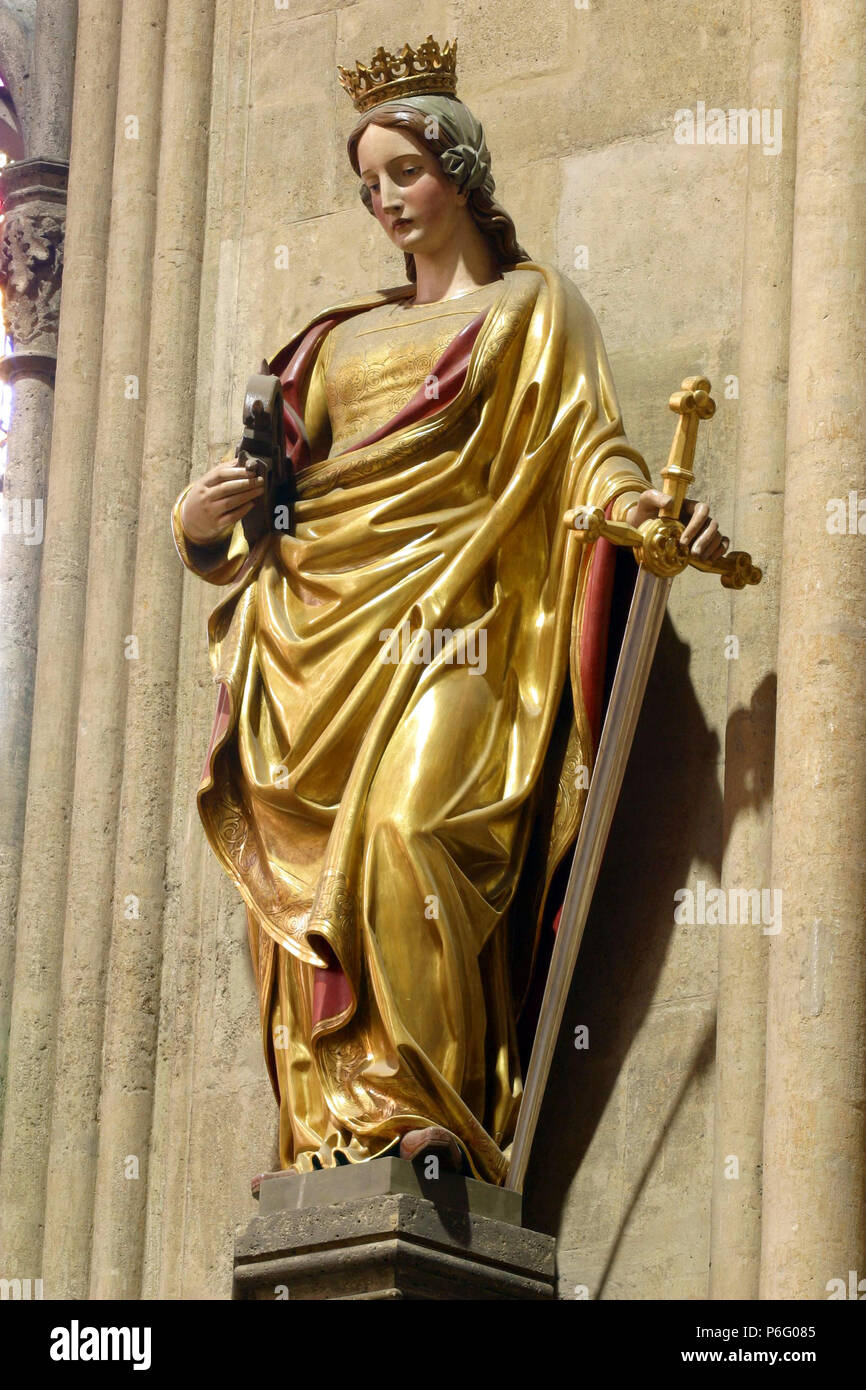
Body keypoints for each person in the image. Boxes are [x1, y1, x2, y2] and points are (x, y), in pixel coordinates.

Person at [172, 38, 727, 1185]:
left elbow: (588, 452)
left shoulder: (531, 310)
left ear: (460, 171)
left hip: (457, 639)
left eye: (405, 173)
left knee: (409, 833)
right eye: (368, 185)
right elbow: (275, 504)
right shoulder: (328, 345)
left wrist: (649, 523)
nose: (385, 202)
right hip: (316, 645)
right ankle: (341, 1127)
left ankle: (437, 1118)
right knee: (310, 904)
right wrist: (199, 521)